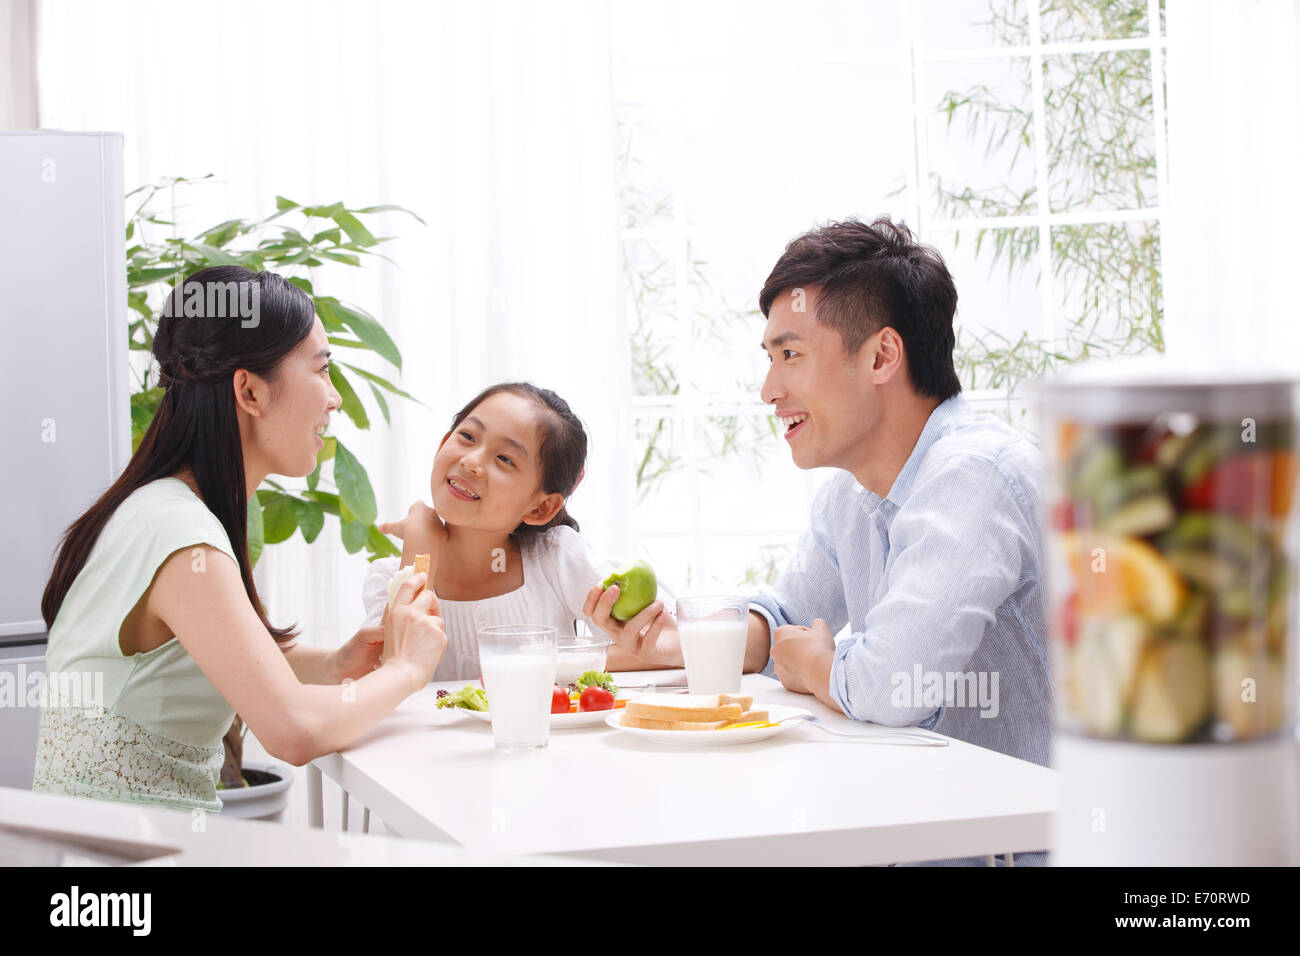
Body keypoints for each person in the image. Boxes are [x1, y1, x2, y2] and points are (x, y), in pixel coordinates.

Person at [586, 217, 1050, 865]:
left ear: (882, 356)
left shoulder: (974, 474)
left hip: (1024, 849)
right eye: (770, 359)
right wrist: (674, 641)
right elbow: (783, 620)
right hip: (924, 833)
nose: (769, 391)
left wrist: (814, 666)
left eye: (791, 355)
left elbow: (894, 688)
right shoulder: (851, 494)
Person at [33, 267, 447, 814]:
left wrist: (331, 666)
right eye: (322, 371)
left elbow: (182, 656)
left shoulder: (157, 507)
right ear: (249, 390)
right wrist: (408, 669)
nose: (335, 399)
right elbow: (294, 732)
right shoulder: (182, 537)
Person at [363, 382, 665, 679]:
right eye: (467, 436)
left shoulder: (555, 559)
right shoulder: (387, 578)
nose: (471, 462)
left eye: (505, 459)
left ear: (540, 507)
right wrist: (421, 541)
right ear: (443, 444)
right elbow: (393, 669)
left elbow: (654, 647)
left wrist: (541, 663)